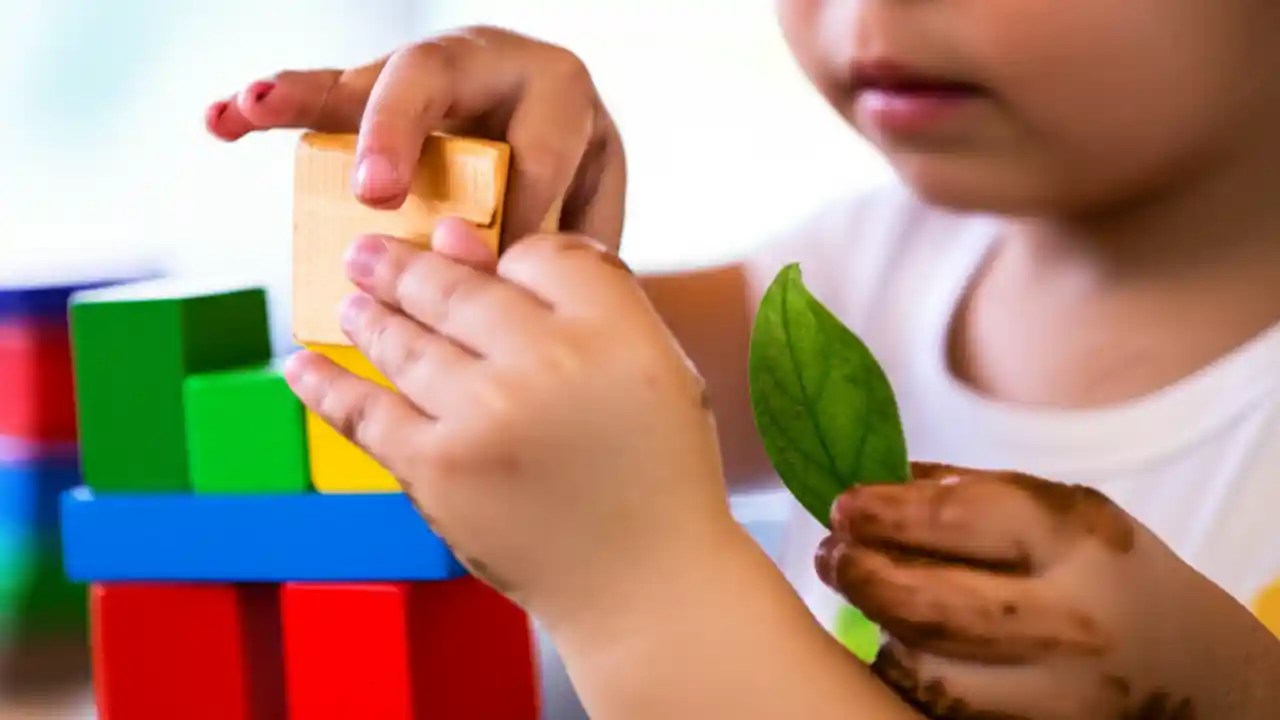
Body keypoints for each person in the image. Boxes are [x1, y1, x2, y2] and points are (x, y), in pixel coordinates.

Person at [204, 2, 1280, 717]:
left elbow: (615, 513)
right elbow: (521, 403)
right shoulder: (866, 266)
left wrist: (637, 588)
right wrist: (504, 229)